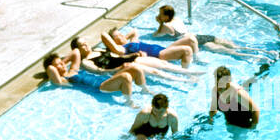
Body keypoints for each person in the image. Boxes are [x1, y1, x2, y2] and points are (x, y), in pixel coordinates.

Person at [149, 5, 276, 62]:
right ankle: (266, 52)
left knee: (230, 52)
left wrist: (159, 24)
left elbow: (155, 36)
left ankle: (260, 58)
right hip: (202, 35)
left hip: (197, 42)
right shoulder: (178, 19)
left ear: (166, 17)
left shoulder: (166, 26)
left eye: (160, 15)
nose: (158, 16)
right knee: (235, 46)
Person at [68, 37, 201, 85]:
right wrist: (118, 69)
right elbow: (101, 71)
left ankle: (189, 73)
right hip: (123, 68)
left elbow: (117, 57)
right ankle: (183, 81)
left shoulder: (99, 49)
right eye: (82, 45)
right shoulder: (85, 62)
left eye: (86, 43)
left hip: (130, 60)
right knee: (156, 72)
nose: (86, 46)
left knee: (163, 64)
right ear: (77, 49)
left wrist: (134, 54)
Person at [44, 52, 137, 105]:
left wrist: (61, 62)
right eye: (59, 64)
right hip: (100, 87)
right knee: (125, 76)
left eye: (62, 62)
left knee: (133, 68)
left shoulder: (73, 69)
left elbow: (76, 52)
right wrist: (54, 67)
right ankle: (129, 103)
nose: (63, 64)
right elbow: (50, 68)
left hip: (107, 79)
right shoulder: (64, 80)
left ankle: (144, 90)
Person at [101, 27, 195, 67]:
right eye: (119, 36)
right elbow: (104, 35)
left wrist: (124, 38)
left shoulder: (132, 42)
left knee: (190, 39)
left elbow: (134, 31)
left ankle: (195, 60)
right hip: (159, 54)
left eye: (121, 34)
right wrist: (117, 43)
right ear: (114, 41)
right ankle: (186, 71)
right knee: (186, 50)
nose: (122, 35)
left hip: (164, 49)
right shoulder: (122, 48)